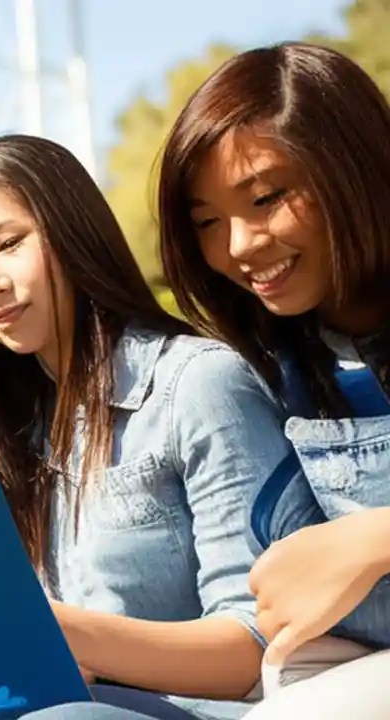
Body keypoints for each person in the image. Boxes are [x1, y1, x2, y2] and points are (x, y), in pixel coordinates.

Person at [0, 134, 295, 720]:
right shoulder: (7, 426)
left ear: (72, 228)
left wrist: (60, 632)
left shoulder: (197, 384)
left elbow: (253, 649)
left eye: (9, 244)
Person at [156, 41, 390, 719]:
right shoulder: (260, 365)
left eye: (265, 197)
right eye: (206, 222)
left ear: (353, 164)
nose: (239, 246)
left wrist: (372, 539)